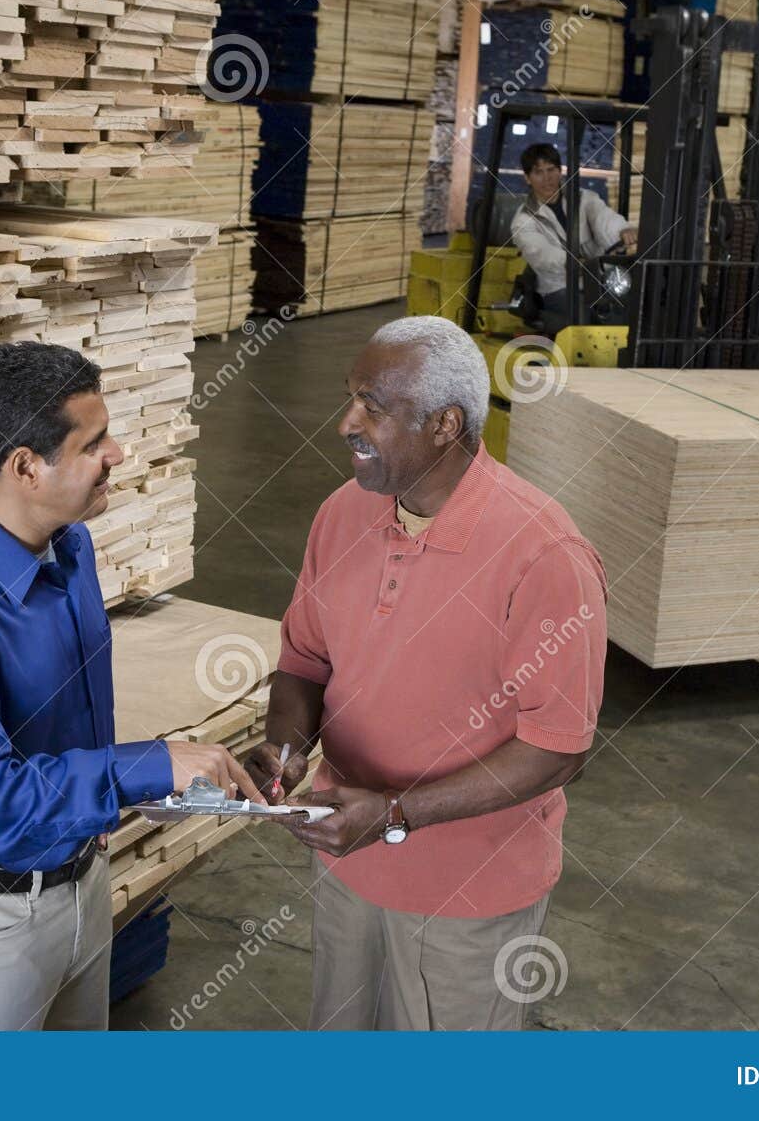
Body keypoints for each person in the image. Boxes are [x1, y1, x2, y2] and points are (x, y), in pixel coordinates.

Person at [0, 340, 262, 1031]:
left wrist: (141, 787)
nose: (118, 453)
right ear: (25, 467)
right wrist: (143, 767)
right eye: (93, 442)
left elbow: (66, 724)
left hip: (80, 886)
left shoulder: (67, 546)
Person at [246, 315, 608, 1030]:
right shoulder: (342, 515)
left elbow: (558, 747)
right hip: (348, 862)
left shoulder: (543, 555)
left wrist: (397, 813)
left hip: (467, 891)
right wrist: (286, 747)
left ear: (445, 425)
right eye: (352, 396)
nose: (348, 422)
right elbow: (304, 662)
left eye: (374, 406)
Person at [507, 141, 638, 337]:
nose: (547, 178)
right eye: (538, 172)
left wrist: (623, 230)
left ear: (560, 171)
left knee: (635, 302)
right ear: (527, 178)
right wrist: (574, 263)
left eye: (551, 170)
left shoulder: (584, 199)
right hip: (559, 286)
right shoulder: (523, 220)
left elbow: (603, 218)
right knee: (588, 311)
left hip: (599, 279)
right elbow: (542, 254)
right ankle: (593, 362)